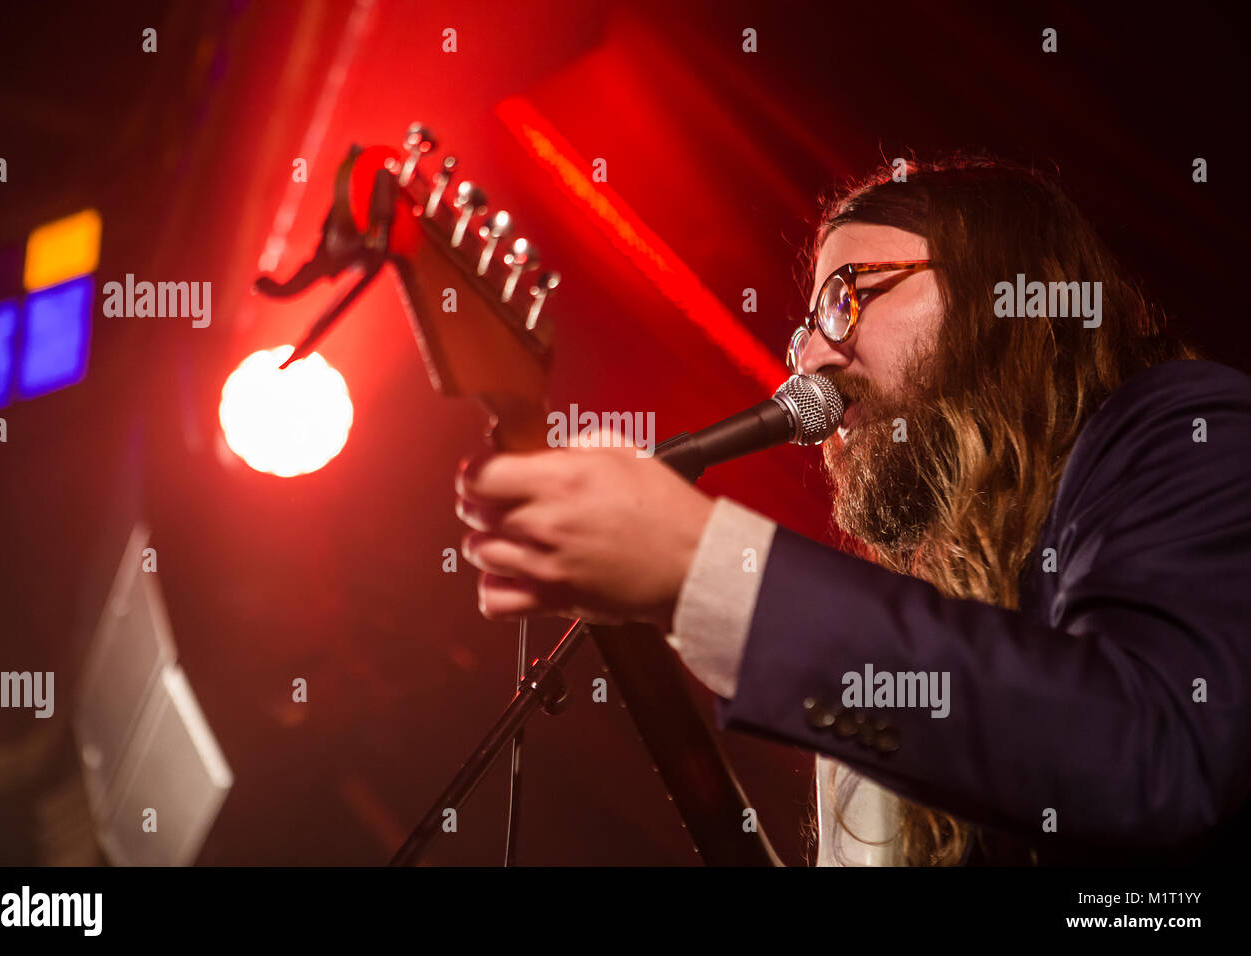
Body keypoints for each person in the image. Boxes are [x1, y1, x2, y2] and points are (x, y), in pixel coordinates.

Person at [454, 156, 1251, 865]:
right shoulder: (917, 644)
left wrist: (707, 570)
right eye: (803, 329)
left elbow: (1158, 755)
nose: (809, 359)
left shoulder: (1188, 428)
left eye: (846, 296)